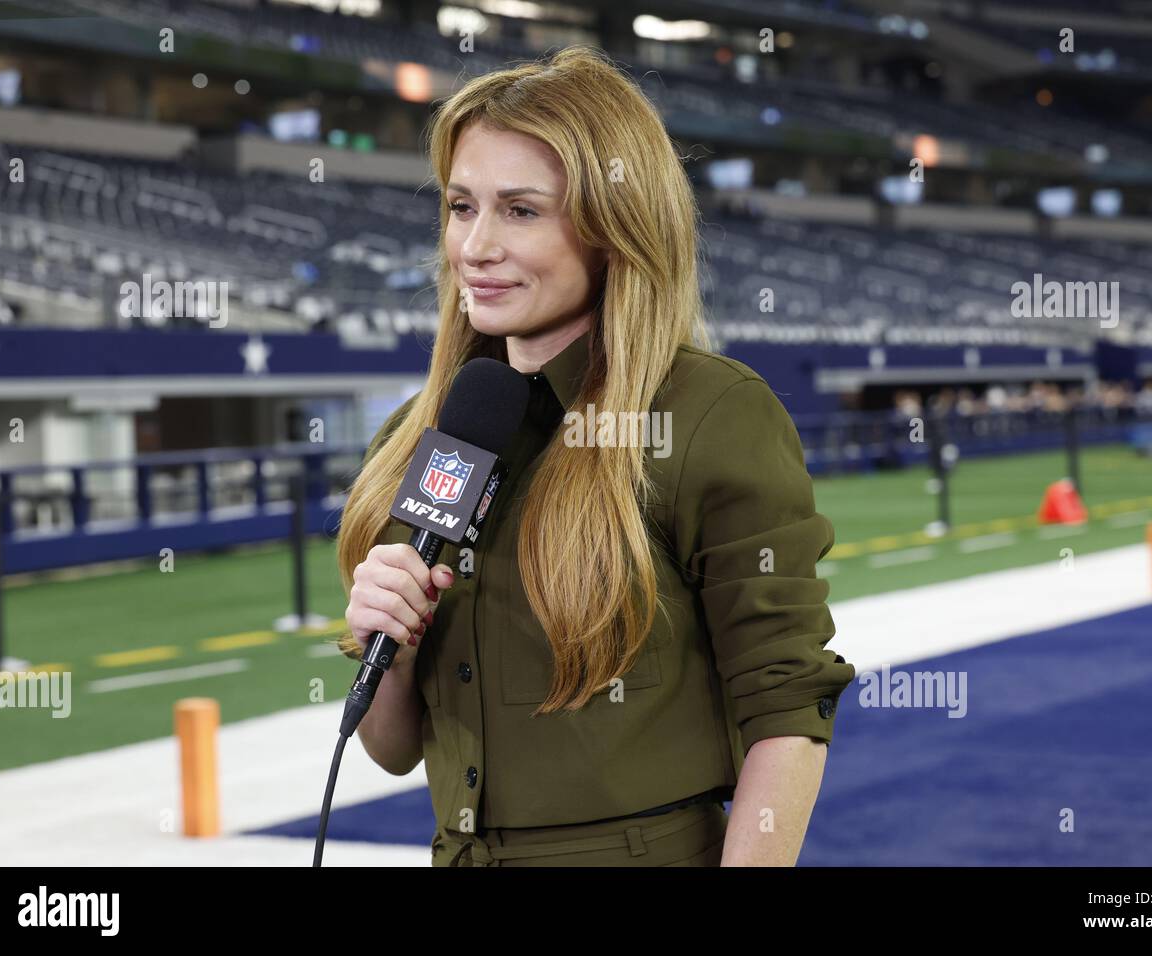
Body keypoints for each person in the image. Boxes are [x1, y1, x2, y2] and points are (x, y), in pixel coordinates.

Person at [332, 47, 854, 867]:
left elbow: (785, 715)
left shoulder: (710, 413)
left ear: (615, 228)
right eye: (461, 206)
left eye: (522, 211)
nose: (475, 245)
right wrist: (382, 646)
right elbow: (394, 750)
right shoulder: (430, 433)